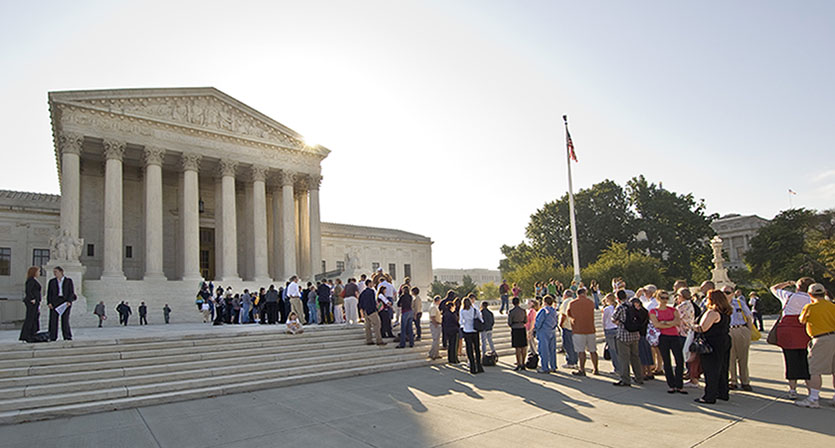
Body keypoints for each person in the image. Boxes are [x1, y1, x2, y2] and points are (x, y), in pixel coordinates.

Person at [771, 277, 814, 399]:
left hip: (787, 330)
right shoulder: (811, 299)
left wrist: (788, 283)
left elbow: (774, 288)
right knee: (805, 361)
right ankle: (811, 390)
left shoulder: (788, 296)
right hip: (803, 329)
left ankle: (793, 389)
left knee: (790, 359)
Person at [795, 283, 835, 408]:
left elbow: (802, 320)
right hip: (833, 336)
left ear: (810, 294)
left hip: (821, 338)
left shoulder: (810, 307)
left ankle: (813, 398)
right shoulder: (832, 306)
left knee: (815, 370)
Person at [694, 289, 731, 405]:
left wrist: (692, 327)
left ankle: (709, 395)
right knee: (723, 367)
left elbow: (703, 328)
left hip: (712, 342)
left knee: (711, 369)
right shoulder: (726, 312)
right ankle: (723, 392)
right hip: (724, 340)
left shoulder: (712, 313)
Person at [649, 290, 686, 394]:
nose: (665, 300)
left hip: (674, 336)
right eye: (662, 298)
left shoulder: (673, 310)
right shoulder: (653, 311)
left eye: (666, 298)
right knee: (667, 361)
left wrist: (664, 322)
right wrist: (670, 323)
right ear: (657, 298)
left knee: (679, 360)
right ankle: (671, 384)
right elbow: (656, 325)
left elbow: (678, 322)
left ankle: (679, 384)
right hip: (663, 337)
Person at [612, 290, 644, 387]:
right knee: (635, 357)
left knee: (624, 358)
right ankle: (639, 377)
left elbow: (613, 318)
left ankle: (625, 379)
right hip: (634, 334)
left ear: (617, 298)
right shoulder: (632, 305)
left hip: (623, 335)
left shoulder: (620, 307)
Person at [727, 287, 754, 391]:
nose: (726, 294)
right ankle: (732, 380)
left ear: (733, 293)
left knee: (743, 357)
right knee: (730, 357)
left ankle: (745, 381)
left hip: (741, 328)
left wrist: (749, 331)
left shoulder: (739, 303)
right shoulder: (722, 304)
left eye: (728, 292)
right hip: (728, 330)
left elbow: (748, 317)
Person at [568, 288, 598, 376]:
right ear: (585, 293)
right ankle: (595, 368)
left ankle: (582, 369)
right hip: (590, 328)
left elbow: (569, 314)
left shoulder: (573, 303)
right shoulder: (590, 302)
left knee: (581, 351)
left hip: (578, 329)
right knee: (593, 350)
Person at [46, 266, 75, 341]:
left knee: (65, 319)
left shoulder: (68, 281)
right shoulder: (52, 281)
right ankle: (52, 336)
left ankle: (67, 336)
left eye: (56, 272)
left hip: (65, 301)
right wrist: (49, 302)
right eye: (54, 272)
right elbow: (49, 293)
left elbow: (71, 292)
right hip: (55, 301)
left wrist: (69, 301)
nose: (54, 273)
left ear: (61, 272)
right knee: (53, 320)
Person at [534, 295, 559, 373]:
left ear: (544, 302)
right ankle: (553, 366)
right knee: (552, 350)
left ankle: (545, 367)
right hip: (552, 331)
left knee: (544, 350)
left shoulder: (543, 310)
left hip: (543, 332)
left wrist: (535, 329)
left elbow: (538, 322)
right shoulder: (553, 310)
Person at [459, 298, 484, 374]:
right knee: (476, 348)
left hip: (467, 330)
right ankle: (479, 366)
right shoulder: (474, 309)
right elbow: (480, 318)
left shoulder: (462, 311)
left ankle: (472, 367)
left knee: (469, 349)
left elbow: (461, 321)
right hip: (474, 330)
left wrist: (463, 326)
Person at [19, 266, 42, 342]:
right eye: (38, 271)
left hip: (35, 302)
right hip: (32, 302)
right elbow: (28, 290)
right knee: (30, 318)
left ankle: (32, 333)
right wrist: (32, 299)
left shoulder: (34, 280)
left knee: (34, 318)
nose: (39, 273)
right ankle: (26, 335)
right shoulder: (31, 280)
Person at [359, 279, 384, 345]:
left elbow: (360, 303)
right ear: (369, 283)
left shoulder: (363, 292)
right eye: (372, 283)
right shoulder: (371, 291)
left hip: (366, 311)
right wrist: (376, 309)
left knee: (367, 326)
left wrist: (363, 311)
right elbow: (372, 301)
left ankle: (369, 340)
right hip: (372, 310)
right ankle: (379, 340)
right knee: (377, 324)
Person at [558, 291, 578, 369]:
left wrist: (560, 324)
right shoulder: (574, 301)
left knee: (568, 344)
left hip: (567, 326)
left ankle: (570, 361)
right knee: (574, 345)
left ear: (565, 295)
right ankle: (575, 361)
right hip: (574, 326)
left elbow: (564, 314)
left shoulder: (566, 302)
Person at [601, 293, 620, 374]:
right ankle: (622, 367)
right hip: (617, 329)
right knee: (619, 349)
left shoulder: (607, 309)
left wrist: (603, 329)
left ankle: (617, 368)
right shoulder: (617, 307)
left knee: (613, 350)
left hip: (609, 329)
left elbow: (604, 320)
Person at [508, 297, 528, 370]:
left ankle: (518, 363)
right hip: (522, 328)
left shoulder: (512, 311)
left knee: (517, 347)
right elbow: (526, 320)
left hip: (515, 328)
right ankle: (523, 362)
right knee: (523, 347)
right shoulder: (523, 311)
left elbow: (509, 322)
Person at [443, 299, 460, 364]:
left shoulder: (445, 314)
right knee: (454, 346)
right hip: (454, 331)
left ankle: (450, 359)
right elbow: (456, 322)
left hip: (448, 331)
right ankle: (454, 359)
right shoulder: (452, 314)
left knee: (450, 345)